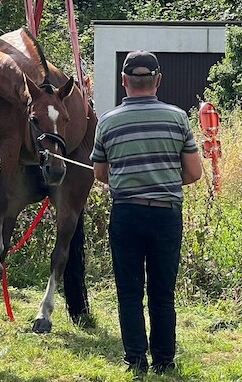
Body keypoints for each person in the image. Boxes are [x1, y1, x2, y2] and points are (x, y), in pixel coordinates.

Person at [91, 51, 204, 377]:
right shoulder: (178, 117)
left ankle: (135, 359)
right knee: (162, 292)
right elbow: (194, 172)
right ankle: (164, 361)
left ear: (124, 81)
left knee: (128, 291)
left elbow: (100, 172)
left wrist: (130, 178)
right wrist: (164, 177)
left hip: (125, 213)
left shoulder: (108, 121)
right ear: (158, 81)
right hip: (166, 214)